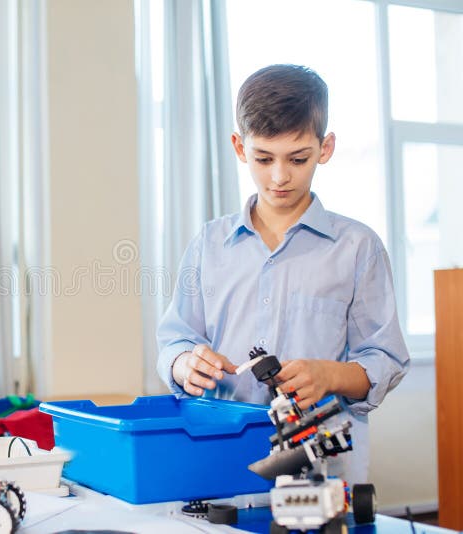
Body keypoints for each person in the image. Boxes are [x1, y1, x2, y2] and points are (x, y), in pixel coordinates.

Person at [156, 64, 409, 484]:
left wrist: (328, 374)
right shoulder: (208, 244)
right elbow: (175, 339)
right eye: (263, 158)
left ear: (324, 148)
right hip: (219, 466)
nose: (279, 176)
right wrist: (185, 363)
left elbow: (386, 359)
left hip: (323, 472)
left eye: (298, 158)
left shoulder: (358, 247)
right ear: (239, 147)